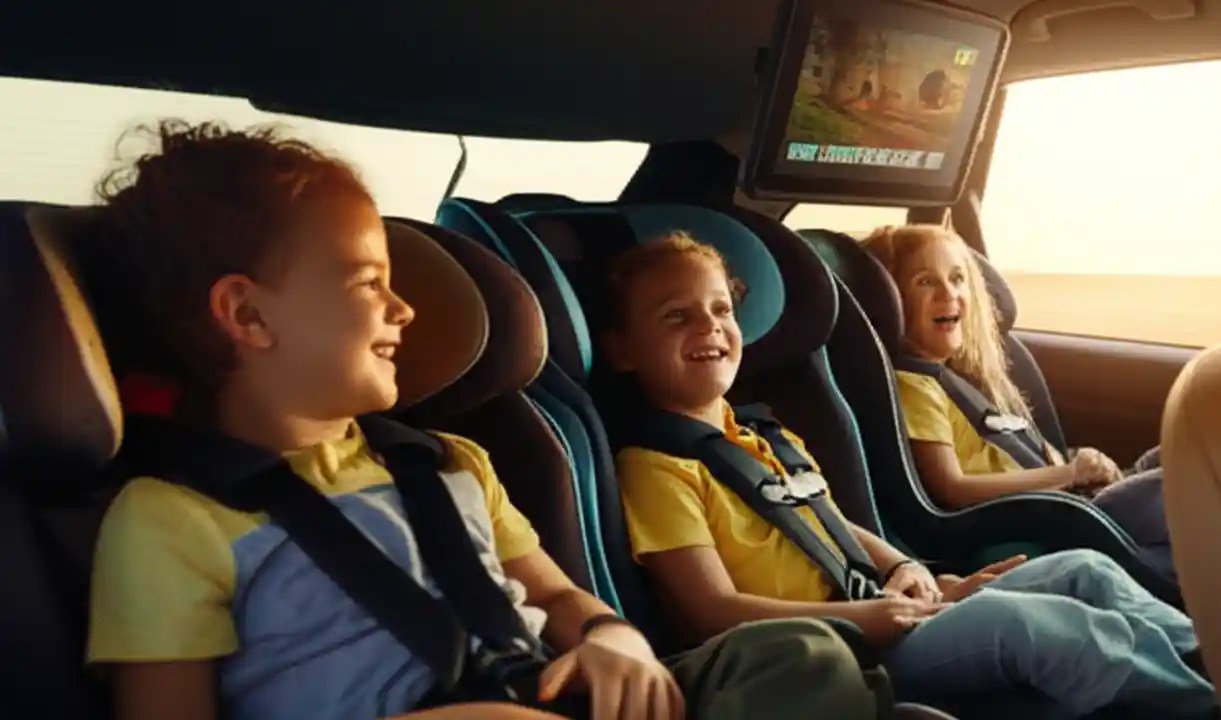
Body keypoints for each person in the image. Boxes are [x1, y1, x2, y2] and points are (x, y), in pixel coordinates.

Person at [84, 121, 880, 720]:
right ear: (247, 314)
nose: (403, 308)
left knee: (800, 655)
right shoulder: (171, 520)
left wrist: (613, 638)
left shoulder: (450, 462)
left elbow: (563, 600)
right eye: (367, 282)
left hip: (547, 691)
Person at [601, 231, 1217, 718]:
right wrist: (869, 617)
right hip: (837, 653)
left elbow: (835, 526)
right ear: (622, 351)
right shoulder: (655, 466)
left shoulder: (765, 434)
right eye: (676, 317)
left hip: (882, 610)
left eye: (719, 309)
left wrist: (906, 570)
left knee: (1084, 571)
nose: (708, 326)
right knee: (1034, 628)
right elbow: (710, 611)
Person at [860, 224, 1171, 576]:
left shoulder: (954, 378)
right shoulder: (913, 387)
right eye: (925, 281)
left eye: (958, 278)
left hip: (1078, 500)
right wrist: (1067, 474)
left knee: (1183, 452)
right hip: (1063, 518)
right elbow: (952, 488)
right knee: (1186, 479)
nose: (949, 293)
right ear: (890, 303)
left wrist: (1081, 463)